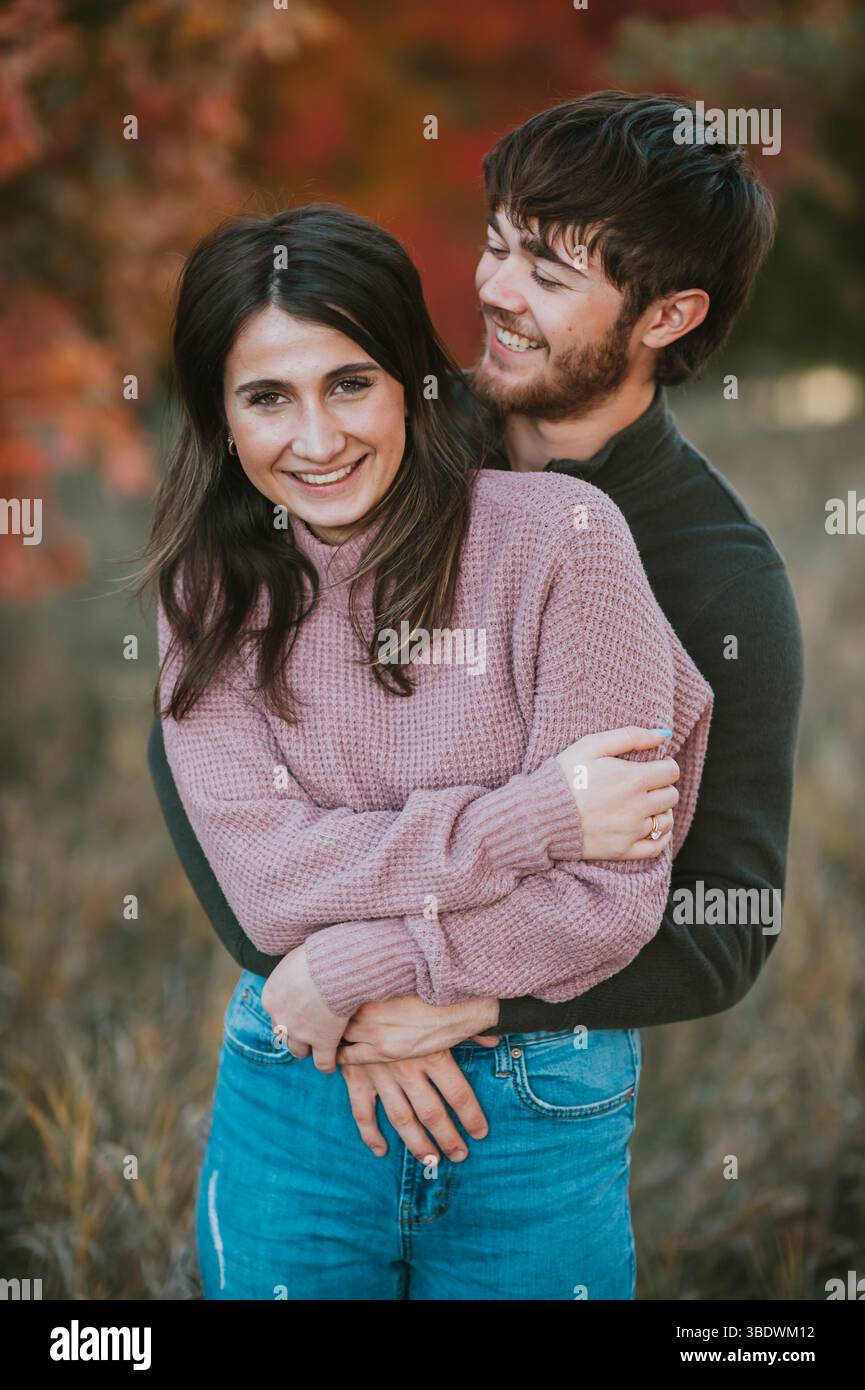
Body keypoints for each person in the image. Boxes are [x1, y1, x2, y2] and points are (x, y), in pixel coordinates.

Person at [147, 93, 804, 1181]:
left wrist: (435, 993)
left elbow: (721, 931)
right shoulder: (378, 429)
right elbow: (199, 746)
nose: (494, 288)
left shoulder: (721, 575)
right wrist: (314, 974)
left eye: (548, 273)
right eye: (498, 244)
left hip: (531, 1075)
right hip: (315, 1042)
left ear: (666, 317)